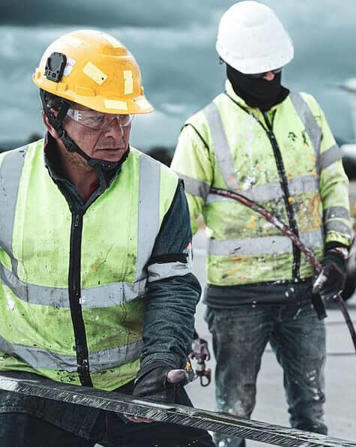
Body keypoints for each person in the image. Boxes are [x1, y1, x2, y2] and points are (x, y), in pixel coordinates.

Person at [0, 30, 214, 446]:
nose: (115, 133)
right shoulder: (4, 182)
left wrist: (161, 362)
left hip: (129, 378)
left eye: (124, 117)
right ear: (52, 115)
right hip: (31, 382)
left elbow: (173, 287)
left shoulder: (161, 187)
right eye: (96, 118)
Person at [171, 2, 352, 445]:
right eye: (260, 72)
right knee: (233, 417)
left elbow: (333, 185)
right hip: (237, 301)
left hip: (303, 292)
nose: (271, 79)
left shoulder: (307, 112)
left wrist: (336, 251)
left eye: (276, 70)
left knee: (310, 412)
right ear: (229, 65)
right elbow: (175, 226)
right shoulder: (204, 129)